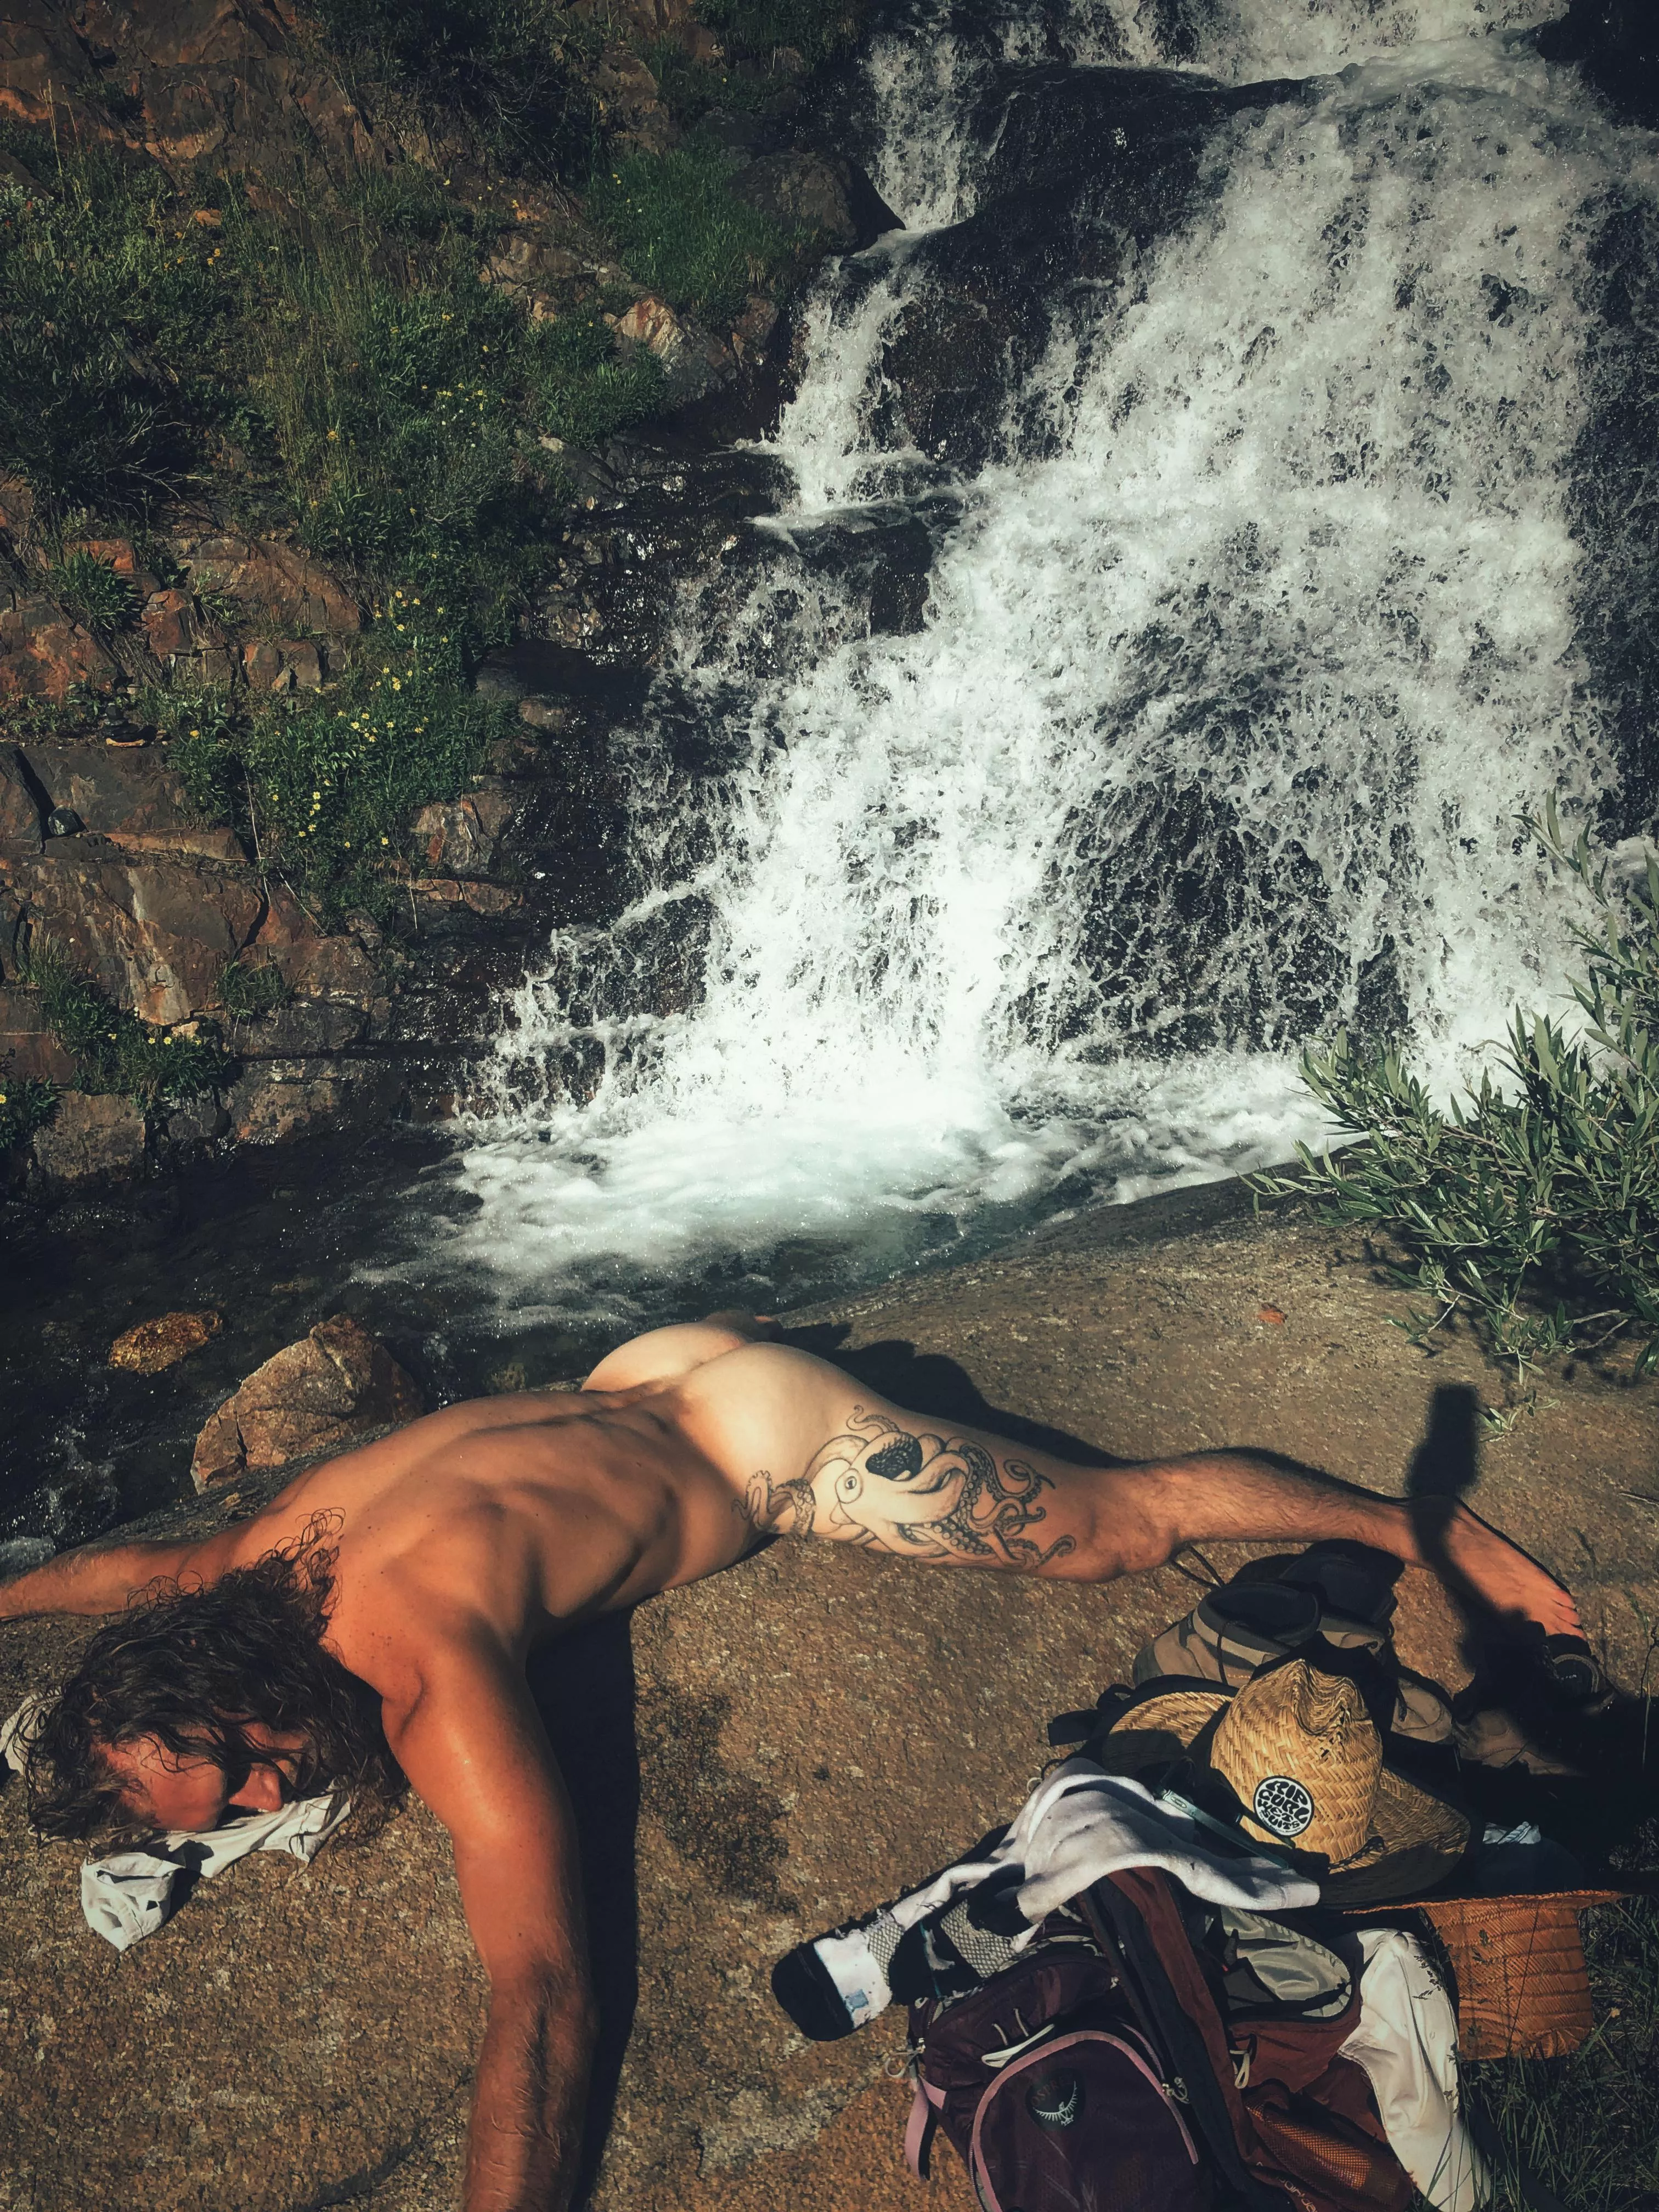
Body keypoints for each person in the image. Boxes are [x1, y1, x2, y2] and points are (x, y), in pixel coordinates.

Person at [0, 1316, 1580, 2212]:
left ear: (222, 1705)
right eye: (240, 1817)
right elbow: (134, 1571)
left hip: (771, 1436)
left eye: (250, 1779)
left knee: (1114, 1533)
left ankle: (1412, 1524)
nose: (269, 1807)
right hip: (639, 1366)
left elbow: (545, 2002)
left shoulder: (426, 1670)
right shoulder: (265, 1561)